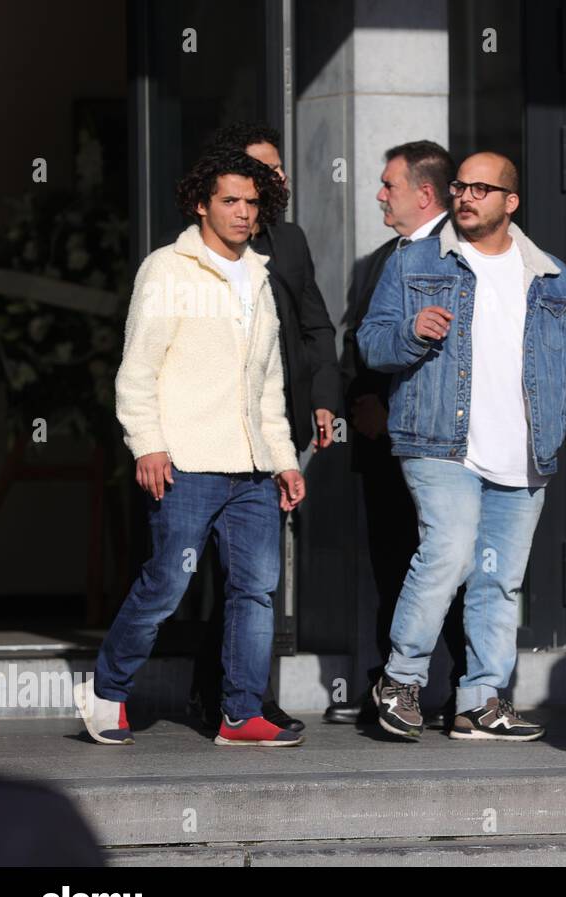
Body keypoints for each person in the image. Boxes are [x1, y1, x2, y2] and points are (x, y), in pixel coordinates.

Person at [357, 151, 566, 741]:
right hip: (438, 443)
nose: (465, 196)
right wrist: (410, 334)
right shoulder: (415, 261)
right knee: (448, 552)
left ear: (510, 202)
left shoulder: (551, 275)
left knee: (499, 578)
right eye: (459, 187)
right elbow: (370, 345)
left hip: (524, 455)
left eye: (480, 188)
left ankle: (480, 700)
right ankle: (400, 679)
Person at [75, 149, 306, 747]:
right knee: (166, 586)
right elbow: (137, 370)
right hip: (186, 464)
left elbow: (269, 381)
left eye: (252, 203)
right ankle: (106, 691)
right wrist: (147, 444)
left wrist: (282, 458)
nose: (242, 212)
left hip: (252, 469)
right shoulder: (167, 270)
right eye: (230, 200)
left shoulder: (259, 273)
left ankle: (240, 713)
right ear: (201, 203)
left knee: (255, 592)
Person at [185, 122, 341, 735]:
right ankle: (222, 692)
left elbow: (317, 326)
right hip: (218, 429)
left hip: (281, 428)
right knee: (219, 572)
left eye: (279, 171)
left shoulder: (292, 241)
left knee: (257, 573)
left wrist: (325, 399)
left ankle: (243, 697)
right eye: (261, 171)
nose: (275, 181)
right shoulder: (204, 248)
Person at [326, 139, 463, 725]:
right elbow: (360, 340)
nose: (380, 194)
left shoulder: (460, 255)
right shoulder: (383, 257)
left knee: (448, 569)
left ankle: (468, 693)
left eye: (390, 185)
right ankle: (391, 690)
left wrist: (390, 410)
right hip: (380, 450)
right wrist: (355, 404)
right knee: (392, 568)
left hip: (435, 446)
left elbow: (458, 356)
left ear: (425, 193)